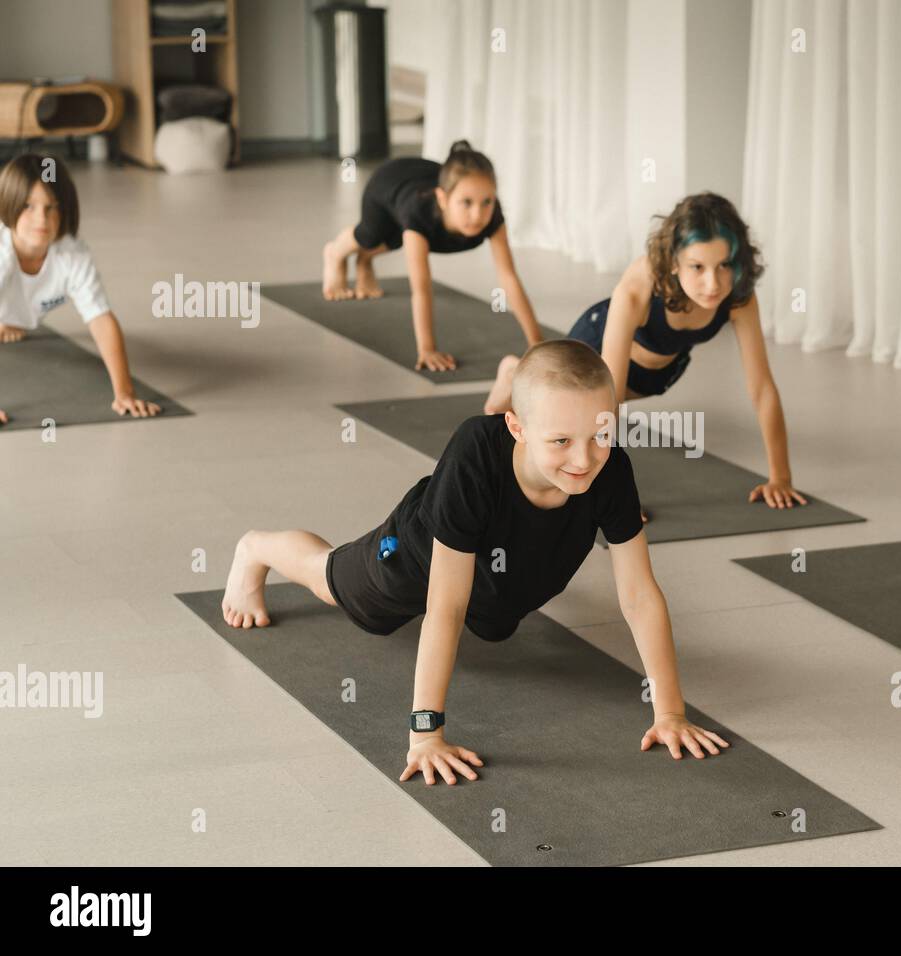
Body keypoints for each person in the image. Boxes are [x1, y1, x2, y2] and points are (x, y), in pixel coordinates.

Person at [219, 338, 728, 785]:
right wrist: (425, 736)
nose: (584, 458)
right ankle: (256, 548)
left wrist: (671, 712)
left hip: (508, 574)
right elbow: (446, 603)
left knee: (494, 624)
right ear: (516, 426)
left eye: (600, 434)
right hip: (420, 552)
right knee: (339, 586)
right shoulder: (475, 454)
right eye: (560, 441)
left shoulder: (610, 470)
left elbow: (639, 594)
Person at [484, 191, 807, 512]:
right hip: (597, 348)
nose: (713, 283)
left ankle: (518, 374)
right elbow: (610, 401)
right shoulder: (640, 283)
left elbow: (762, 388)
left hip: (659, 372)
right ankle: (515, 373)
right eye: (697, 267)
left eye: (724, 265)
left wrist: (781, 477)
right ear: (674, 262)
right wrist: (616, 497)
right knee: (566, 416)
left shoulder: (738, 295)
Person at [321, 140, 544, 372]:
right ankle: (335, 253)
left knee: (396, 240)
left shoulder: (493, 215)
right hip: (388, 183)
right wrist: (427, 349)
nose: (478, 214)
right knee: (371, 236)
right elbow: (421, 289)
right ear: (443, 199)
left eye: (486, 201)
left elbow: (508, 277)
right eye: (466, 203)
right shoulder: (419, 216)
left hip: (418, 188)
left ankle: (364, 261)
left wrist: (536, 342)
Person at [0, 154, 161, 418]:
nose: (41, 219)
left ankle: (8, 320)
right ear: (9, 205)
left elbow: (100, 318)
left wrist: (125, 393)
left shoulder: (71, 253)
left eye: (51, 207)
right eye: (28, 206)